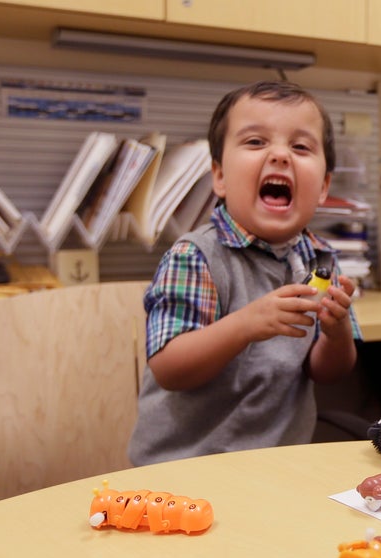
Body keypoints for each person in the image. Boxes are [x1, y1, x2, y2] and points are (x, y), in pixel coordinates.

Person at [130, 80, 360, 465]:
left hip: (276, 466)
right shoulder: (194, 257)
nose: (280, 155)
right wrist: (246, 324)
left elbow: (327, 372)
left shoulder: (320, 259)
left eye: (300, 147)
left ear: (323, 186)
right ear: (219, 177)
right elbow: (169, 368)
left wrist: (336, 334)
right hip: (183, 469)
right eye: (255, 142)